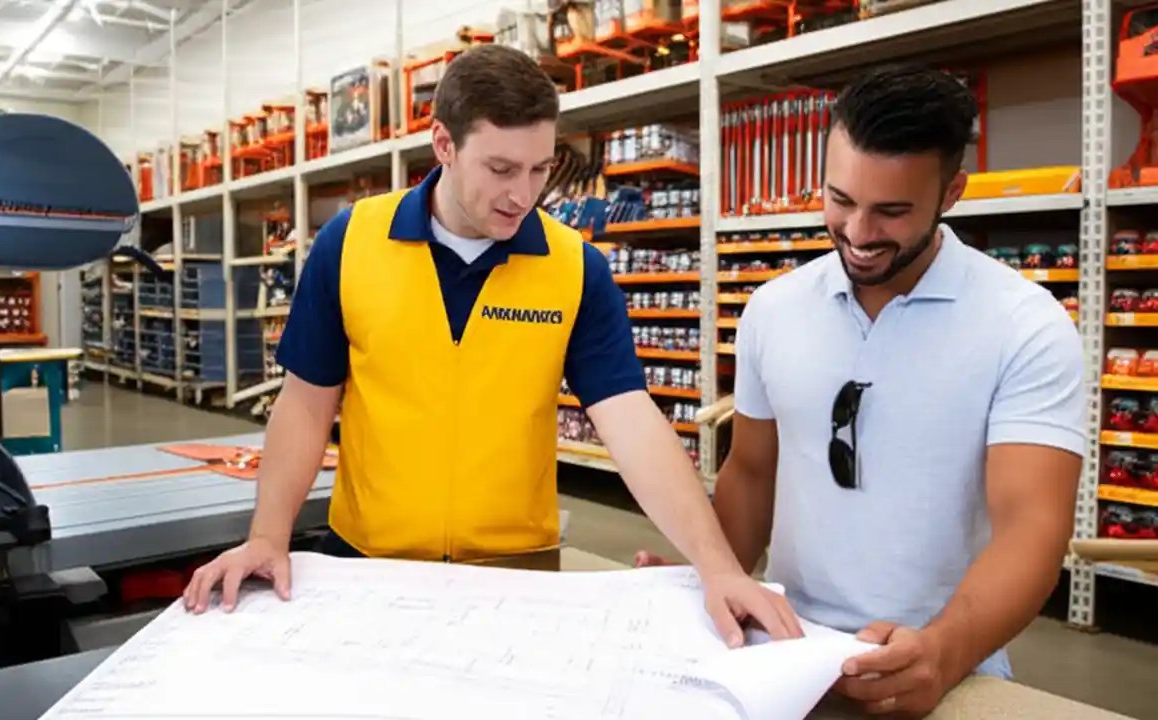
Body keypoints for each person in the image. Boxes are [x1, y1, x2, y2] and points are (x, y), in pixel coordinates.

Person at [181, 44, 803, 648]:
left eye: (540, 169)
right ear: (443, 144)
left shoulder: (573, 268)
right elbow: (305, 404)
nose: (522, 195)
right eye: (501, 169)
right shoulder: (352, 244)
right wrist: (268, 537)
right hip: (367, 562)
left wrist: (719, 568)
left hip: (517, 574)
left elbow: (632, 422)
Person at [636, 64, 1085, 716]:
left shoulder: (1024, 325)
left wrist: (943, 652)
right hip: (786, 650)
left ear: (951, 192)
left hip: (945, 663)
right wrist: (704, 578)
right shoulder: (774, 310)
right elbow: (753, 472)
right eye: (840, 199)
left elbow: (1032, 526)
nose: (858, 232)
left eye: (892, 211)